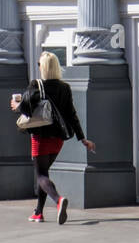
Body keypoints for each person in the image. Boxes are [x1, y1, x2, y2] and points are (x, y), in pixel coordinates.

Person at [10, 52, 96, 224]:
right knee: (44, 174)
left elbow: (26, 108)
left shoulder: (37, 84)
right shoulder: (65, 88)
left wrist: (16, 105)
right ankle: (38, 213)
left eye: (39, 64)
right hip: (58, 140)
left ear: (43, 67)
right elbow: (72, 115)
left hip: (40, 137)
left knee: (41, 175)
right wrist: (82, 139)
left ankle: (58, 201)